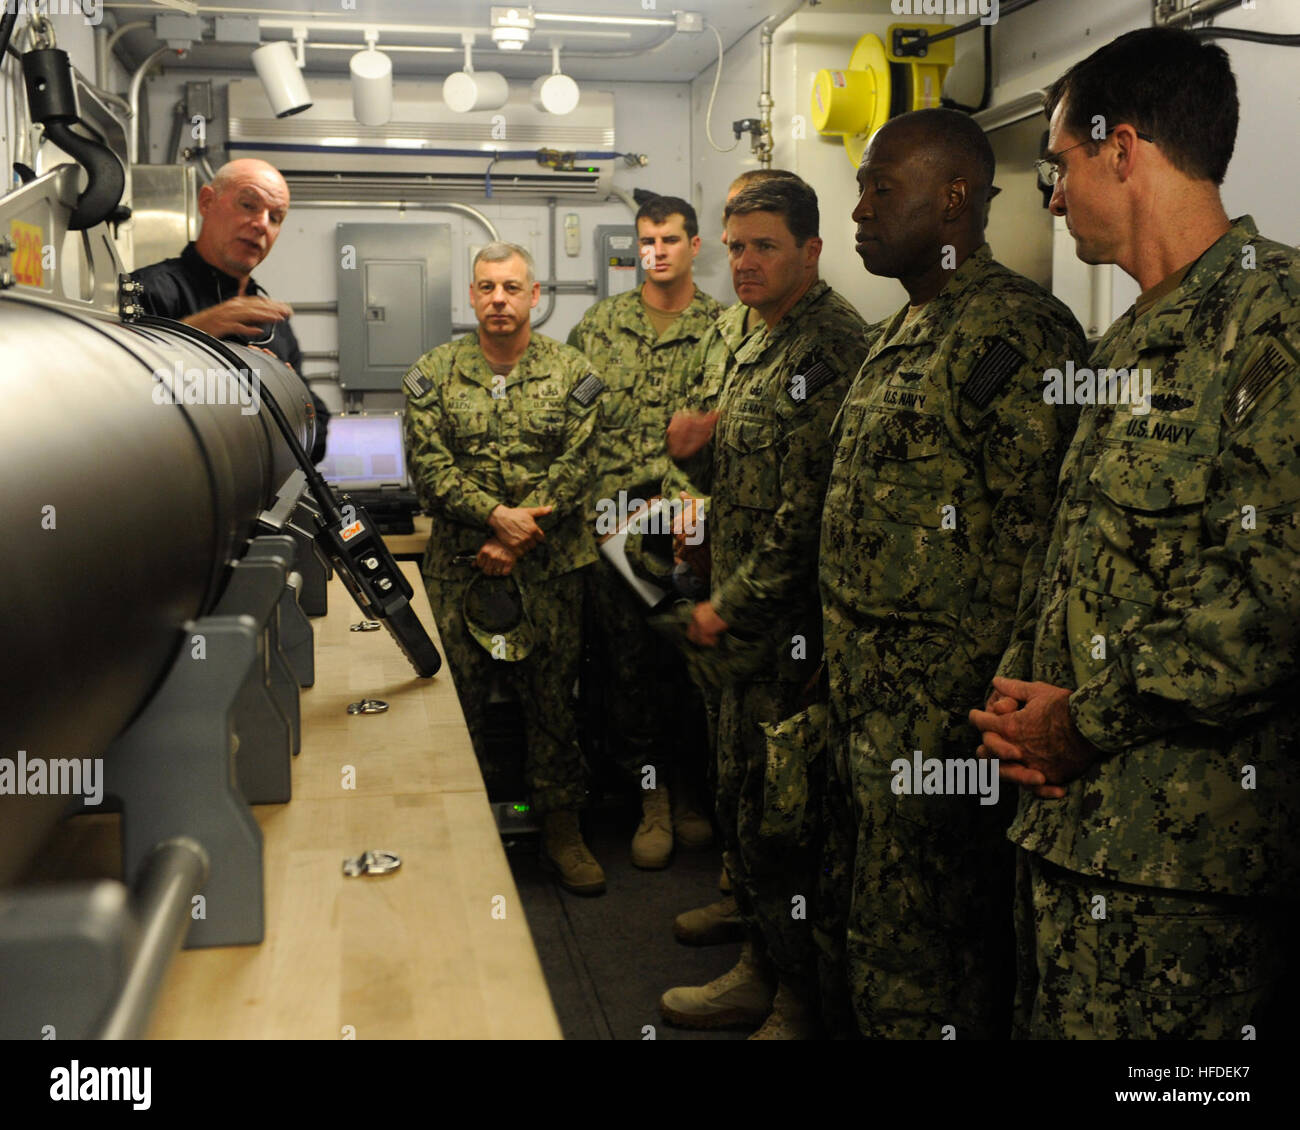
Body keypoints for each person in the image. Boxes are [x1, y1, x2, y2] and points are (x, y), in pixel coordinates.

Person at [969, 26, 1300, 1039]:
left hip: (1180, 872)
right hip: (1073, 834)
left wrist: (1079, 722)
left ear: (1120, 149)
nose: (1053, 198)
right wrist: (1021, 706)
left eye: (1058, 165)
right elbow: (1080, 557)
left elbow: (1272, 597)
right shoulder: (1128, 340)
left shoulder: (1276, 324)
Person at [817, 108, 1087, 1040]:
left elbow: (1041, 549)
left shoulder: (1015, 334)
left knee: (932, 958)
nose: (860, 210)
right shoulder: (902, 330)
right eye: (862, 189)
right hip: (864, 704)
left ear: (953, 198)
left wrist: (983, 720)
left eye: (880, 189)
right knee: (872, 930)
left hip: (947, 726)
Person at [657, 174, 871, 1038]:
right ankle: (756, 938)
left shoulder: (830, 347)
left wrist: (730, 604)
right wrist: (695, 463)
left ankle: (793, 996)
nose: (745, 263)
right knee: (743, 793)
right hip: (743, 623)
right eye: (737, 247)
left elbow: (807, 511)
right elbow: (745, 472)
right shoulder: (753, 336)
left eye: (765, 247)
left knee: (790, 819)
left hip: (792, 634)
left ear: (811, 251)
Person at [403, 242, 607, 896]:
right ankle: (455, 833)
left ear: (534, 295)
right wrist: (495, 517)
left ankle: (561, 830)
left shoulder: (573, 372)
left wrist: (515, 540)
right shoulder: (433, 374)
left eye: (512, 287)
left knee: (552, 704)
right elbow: (428, 469)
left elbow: (578, 466)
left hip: (549, 569)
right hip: (461, 568)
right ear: (471, 295)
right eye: (487, 287)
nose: (499, 299)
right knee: (452, 711)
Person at [566, 196, 723, 869]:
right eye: (647, 241)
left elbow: (727, 434)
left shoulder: (725, 329)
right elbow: (572, 426)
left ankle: (690, 792)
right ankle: (651, 797)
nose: (657, 252)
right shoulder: (599, 327)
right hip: (613, 534)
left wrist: (687, 510)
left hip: (688, 533)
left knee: (690, 669)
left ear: (695, 246)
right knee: (627, 671)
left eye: (670, 240)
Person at [132, 158, 330, 461]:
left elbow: (318, 431)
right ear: (207, 202)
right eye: (248, 205)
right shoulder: (148, 291)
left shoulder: (271, 321)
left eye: (275, 218)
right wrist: (192, 335)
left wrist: (287, 390)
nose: (262, 224)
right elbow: (118, 407)